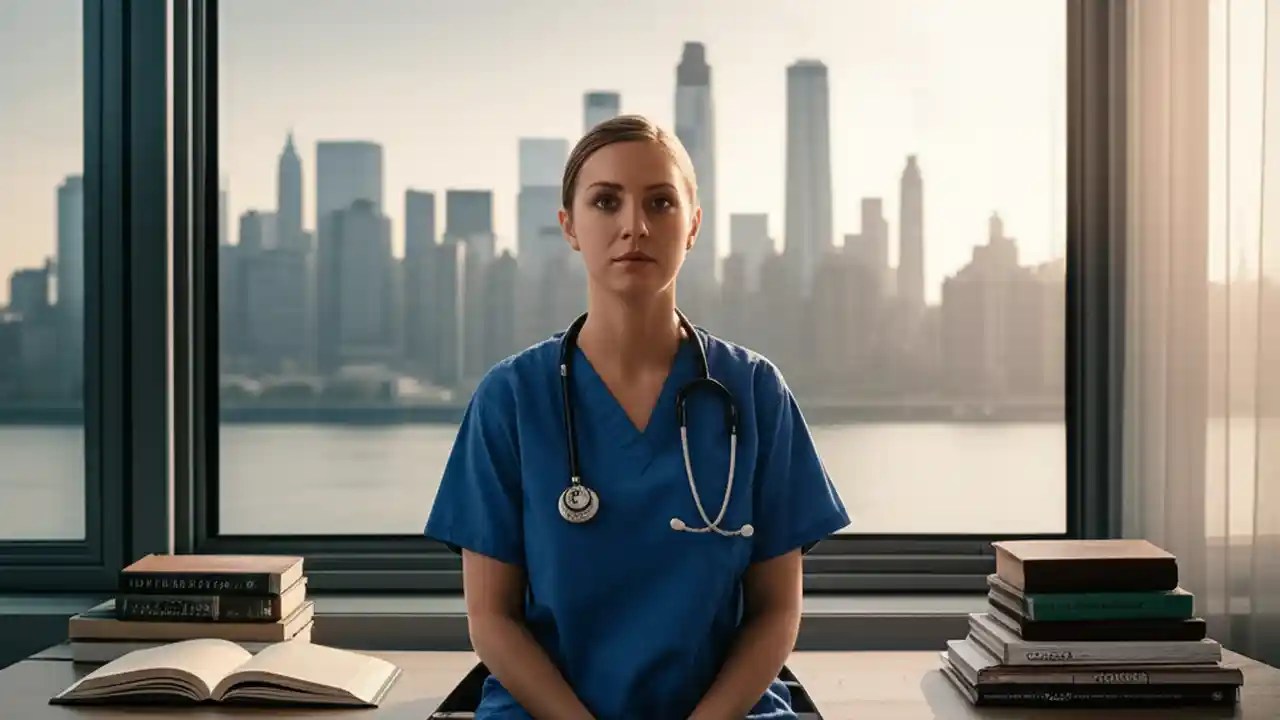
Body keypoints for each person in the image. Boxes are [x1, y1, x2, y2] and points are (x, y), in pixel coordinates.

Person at [424, 114, 850, 719]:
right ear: (569, 226)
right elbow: (492, 620)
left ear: (693, 225)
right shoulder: (512, 398)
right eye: (605, 202)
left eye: (660, 202)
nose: (635, 226)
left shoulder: (755, 392)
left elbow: (775, 612)